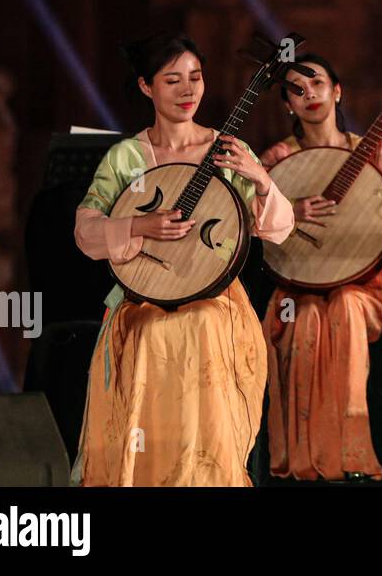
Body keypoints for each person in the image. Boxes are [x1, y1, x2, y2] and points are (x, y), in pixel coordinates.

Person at [72, 33, 294, 486]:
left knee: (204, 325)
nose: (188, 89)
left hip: (216, 302)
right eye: (172, 80)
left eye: (195, 77)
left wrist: (261, 180)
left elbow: (279, 229)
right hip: (143, 299)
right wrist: (138, 226)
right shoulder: (127, 157)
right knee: (154, 331)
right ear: (146, 87)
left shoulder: (230, 151)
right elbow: (85, 232)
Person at [260, 54, 382, 481]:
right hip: (297, 290)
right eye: (296, 88)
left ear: (337, 90)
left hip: (366, 288)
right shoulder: (275, 159)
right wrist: (289, 209)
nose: (309, 94)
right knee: (306, 317)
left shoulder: (372, 151)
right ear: (287, 104)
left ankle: (352, 455)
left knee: (345, 306)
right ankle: (308, 462)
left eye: (318, 84)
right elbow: (241, 214)